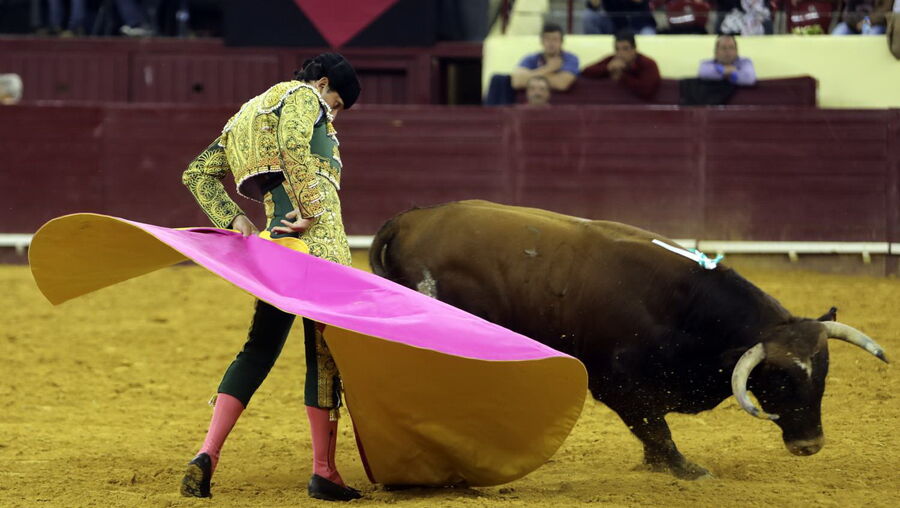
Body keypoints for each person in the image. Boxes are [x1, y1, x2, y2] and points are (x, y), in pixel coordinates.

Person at [179, 53, 362, 502]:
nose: (332, 115)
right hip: (318, 250)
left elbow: (198, 175)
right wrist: (311, 212)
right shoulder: (304, 96)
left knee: (258, 348)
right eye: (335, 104)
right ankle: (324, 472)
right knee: (323, 357)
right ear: (322, 84)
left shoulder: (242, 118)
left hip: (275, 249)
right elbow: (295, 147)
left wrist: (235, 220)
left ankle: (207, 454)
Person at [581, 31, 661, 100]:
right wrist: (607, 68)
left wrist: (622, 77)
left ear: (634, 49)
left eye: (625, 49)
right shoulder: (611, 60)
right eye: (617, 49)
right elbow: (585, 71)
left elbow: (646, 90)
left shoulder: (648, 64)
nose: (620, 53)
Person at [511, 23, 579, 92]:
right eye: (547, 39)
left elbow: (561, 84)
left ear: (561, 42)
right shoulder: (531, 58)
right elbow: (517, 82)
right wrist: (548, 68)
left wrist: (530, 77)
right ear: (541, 41)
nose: (551, 43)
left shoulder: (570, 59)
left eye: (555, 39)